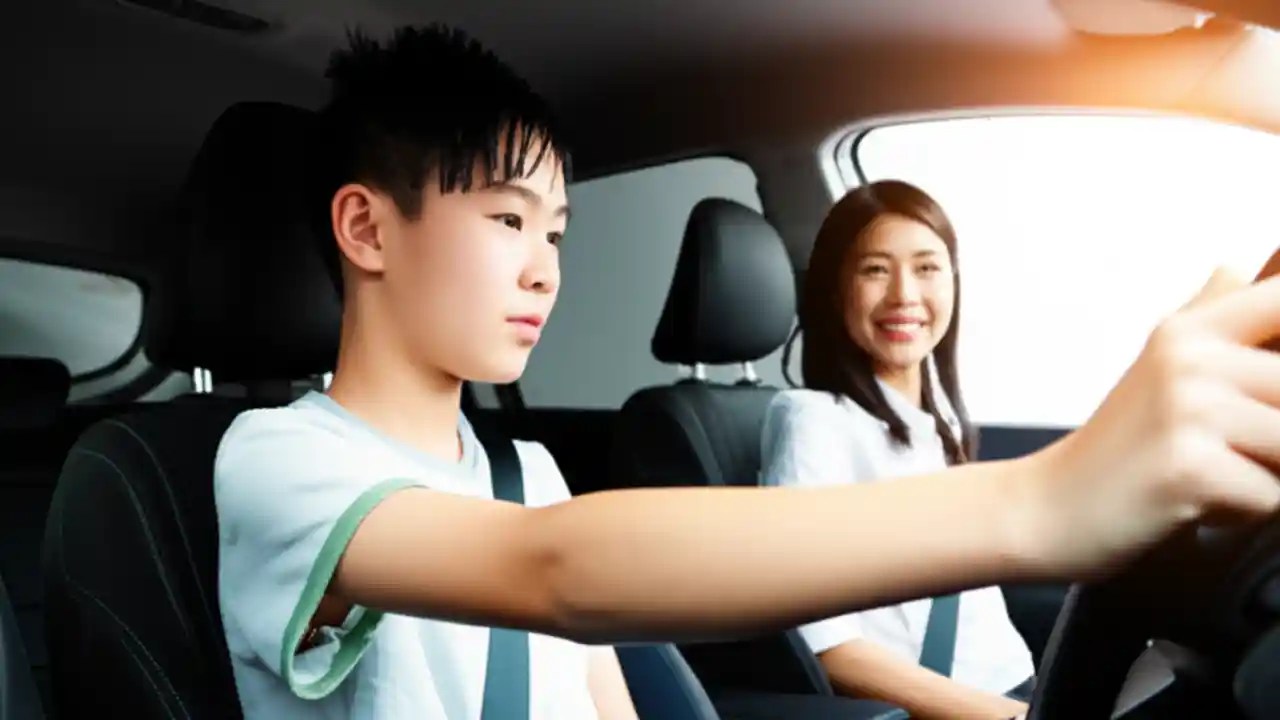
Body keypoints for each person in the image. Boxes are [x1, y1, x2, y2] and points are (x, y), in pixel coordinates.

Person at [214, 23, 1280, 720]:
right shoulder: (276, 463)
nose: (543, 268)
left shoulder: (528, 469)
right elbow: (554, 572)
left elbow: (606, 696)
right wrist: (1050, 496)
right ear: (366, 227)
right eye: (506, 220)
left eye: (558, 232)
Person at [761, 180, 1032, 719]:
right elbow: (829, 647)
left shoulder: (937, 423)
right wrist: (1004, 717)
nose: (905, 294)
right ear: (837, 291)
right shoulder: (814, 422)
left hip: (1019, 687)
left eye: (927, 267)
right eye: (875, 270)